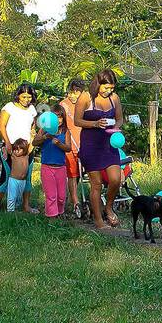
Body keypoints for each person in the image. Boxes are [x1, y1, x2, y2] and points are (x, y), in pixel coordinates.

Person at [75, 69, 125, 230]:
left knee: (116, 179)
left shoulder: (114, 98)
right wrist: (95, 124)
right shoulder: (85, 97)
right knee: (96, 184)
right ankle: (98, 221)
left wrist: (116, 129)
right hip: (90, 145)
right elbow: (77, 120)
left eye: (111, 88)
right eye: (106, 88)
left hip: (108, 144)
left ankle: (108, 206)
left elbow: (120, 119)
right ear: (98, 84)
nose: (109, 91)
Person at [0, 83, 39, 214]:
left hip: (27, 148)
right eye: (24, 96)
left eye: (29, 97)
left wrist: (32, 141)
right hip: (11, 148)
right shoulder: (9, 107)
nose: (26, 100)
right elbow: (1, 126)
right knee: (6, 175)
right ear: (18, 95)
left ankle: (26, 205)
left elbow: (32, 127)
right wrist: (7, 143)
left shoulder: (32, 109)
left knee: (26, 176)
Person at [36, 104, 73, 218]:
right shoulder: (44, 129)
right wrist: (44, 137)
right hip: (47, 167)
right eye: (55, 117)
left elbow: (68, 148)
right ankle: (52, 216)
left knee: (61, 195)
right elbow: (34, 142)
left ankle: (60, 212)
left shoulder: (65, 131)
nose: (58, 120)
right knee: (51, 195)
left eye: (60, 117)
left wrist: (59, 144)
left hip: (60, 168)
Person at [59, 79, 86, 216]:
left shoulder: (87, 104)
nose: (73, 96)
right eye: (71, 92)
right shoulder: (63, 105)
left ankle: (72, 197)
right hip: (70, 145)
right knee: (72, 174)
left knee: (81, 174)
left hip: (85, 144)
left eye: (77, 93)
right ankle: (75, 202)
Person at [5, 138, 33, 214]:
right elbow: (8, 148)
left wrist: (32, 136)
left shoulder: (26, 155)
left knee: (19, 196)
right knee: (12, 196)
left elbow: (31, 146)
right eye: (15, 149)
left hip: (22, 181)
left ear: (24, 150)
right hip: (13, 180)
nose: (16, 151)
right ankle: (10, 210)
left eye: (19, 149)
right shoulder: (13, 155)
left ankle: (16, 209)